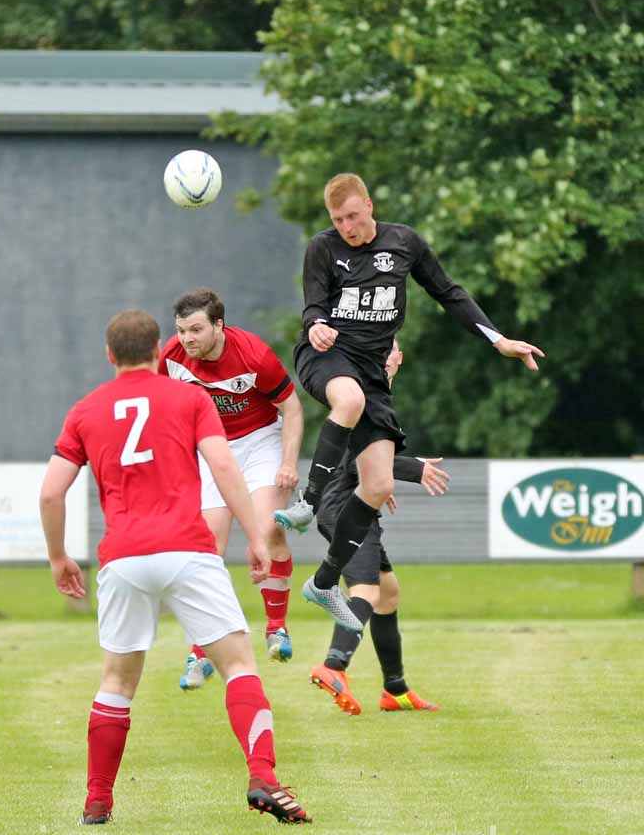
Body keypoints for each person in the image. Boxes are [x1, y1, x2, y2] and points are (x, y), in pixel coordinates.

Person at [39, 309, 310, 825]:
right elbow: (225, 465)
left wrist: (58, 557)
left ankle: (98, 801)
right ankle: (263, 778)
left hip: (123, 558)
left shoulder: (85, 410)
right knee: (238, 666)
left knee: (116, 682)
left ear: (109, 354)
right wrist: (255, 536)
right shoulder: (188, 398)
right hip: (187, 549)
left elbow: (52, 492)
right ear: (161, 346)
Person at [274, 172, 545, 632]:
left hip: (374, 372)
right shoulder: (322, 248)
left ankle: (322, 584)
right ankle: (308, 502)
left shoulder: (405, 243)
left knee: (377, 485)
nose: (347, 227)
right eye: (338, 220)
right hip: (326, 357)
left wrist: (498, 339)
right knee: (349, 398)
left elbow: (449, 293)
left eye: (353, 217)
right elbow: (314, 305)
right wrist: (316, 323)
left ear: (370, 206)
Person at [159, 287, 305, 690]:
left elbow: (291, 408)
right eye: (181, 330)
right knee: (207, 548)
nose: (187, 339)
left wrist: (289, 462)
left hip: (260, 441)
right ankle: (200, 651)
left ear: (219, 325)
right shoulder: (171, 356)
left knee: (269, 530)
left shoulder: (253, 355)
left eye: (196, 329)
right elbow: (159, 404)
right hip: (210, 448)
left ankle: (276, 628)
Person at [310, 339, 446, 715]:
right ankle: (333, 666)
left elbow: (369, 462)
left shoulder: (376, 395)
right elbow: (360, 455)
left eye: (386, 350)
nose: (380, 356)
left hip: (355, 505)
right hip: (343, 510)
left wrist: (379, 484)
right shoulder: (361, 394)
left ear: (398, 358)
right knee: (366, 591)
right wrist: (414, 468)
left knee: (387, 593)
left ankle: (395, 690)